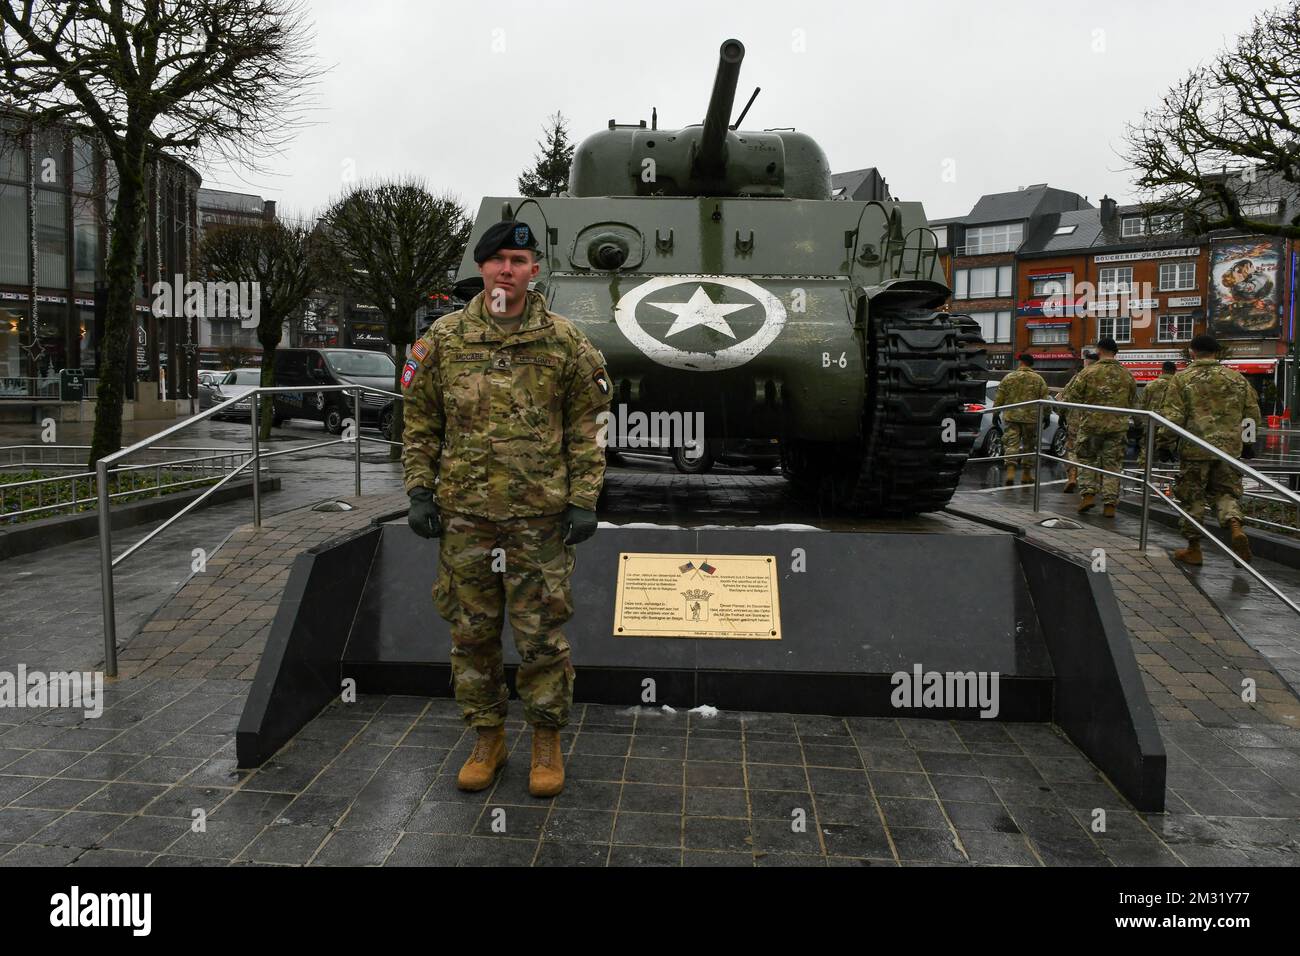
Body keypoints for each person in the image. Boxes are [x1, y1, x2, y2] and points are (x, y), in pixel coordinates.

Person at [402, 219, 612, 798]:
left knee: (541, 636)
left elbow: (589, 426)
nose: (507, 270)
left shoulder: (565, 342)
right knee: (471, 634)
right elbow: (420, 421)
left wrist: (583, 500)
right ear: (482, 269)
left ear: (534, 270)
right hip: (465, 515)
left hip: (538, 519)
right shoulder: (443, 340)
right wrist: (419, 490)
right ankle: (487, 736)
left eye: (518, 260)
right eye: (497, 261)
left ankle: (545, 739)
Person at [1159, 334, 1261, 566]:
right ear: (1217, 353)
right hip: (1228, 450)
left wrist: (1164, 445)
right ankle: (1235, 527)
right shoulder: (1237, 379)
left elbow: (1172, 417)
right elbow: (1252, 414)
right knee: (1226, 493)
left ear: (1193, 352)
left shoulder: (1182, 379)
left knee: (1193, 497)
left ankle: (1194, 549)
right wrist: (1248, 443)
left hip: (1195, 449)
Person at [1060, 337, 1136, 516]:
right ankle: (1110, 505)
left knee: (1087, 459)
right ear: (1116, 353)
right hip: (1117, 427)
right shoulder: (1127, 375)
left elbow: (1071, 399)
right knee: (1112, 464)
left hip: (1091, 425)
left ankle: (1088, 496)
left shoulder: (1088, 373)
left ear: (1099, 351)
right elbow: (1133, 402)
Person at [993, 353, 1050, 485]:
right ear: (1031, 364)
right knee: (1029, 446)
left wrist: (995, 414)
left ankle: (1011, 472)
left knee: (1011, 444)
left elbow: (999, 397)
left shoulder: (1009, 377)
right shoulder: (1038, 379)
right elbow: (1045, 400)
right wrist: (1046, 416)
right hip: (1031, 418)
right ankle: (1026, 475)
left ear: (1020, 362)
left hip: (1012, 417)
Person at [1059, 350, 1097, 493]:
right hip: (1098, 420)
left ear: (1086, 362)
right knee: (1094, 453)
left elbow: (1066, 397)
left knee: (1072, 449)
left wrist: (1062, 414)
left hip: (1076, 419)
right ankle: (1094, 485)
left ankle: (1073, 476)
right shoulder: (1106, 376)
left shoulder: (1079, 377)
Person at [1136, 360, 1179, 469]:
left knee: (1146, 452)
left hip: (1151, 423)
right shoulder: (1178, 386)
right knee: (1168, 452)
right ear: (1174, 371)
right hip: (1170, 425)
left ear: (1162, 370)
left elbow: (1141, 406)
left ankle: (1141, 477)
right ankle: (1166, 479)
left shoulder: (1151, 385)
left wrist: (1141, 423)